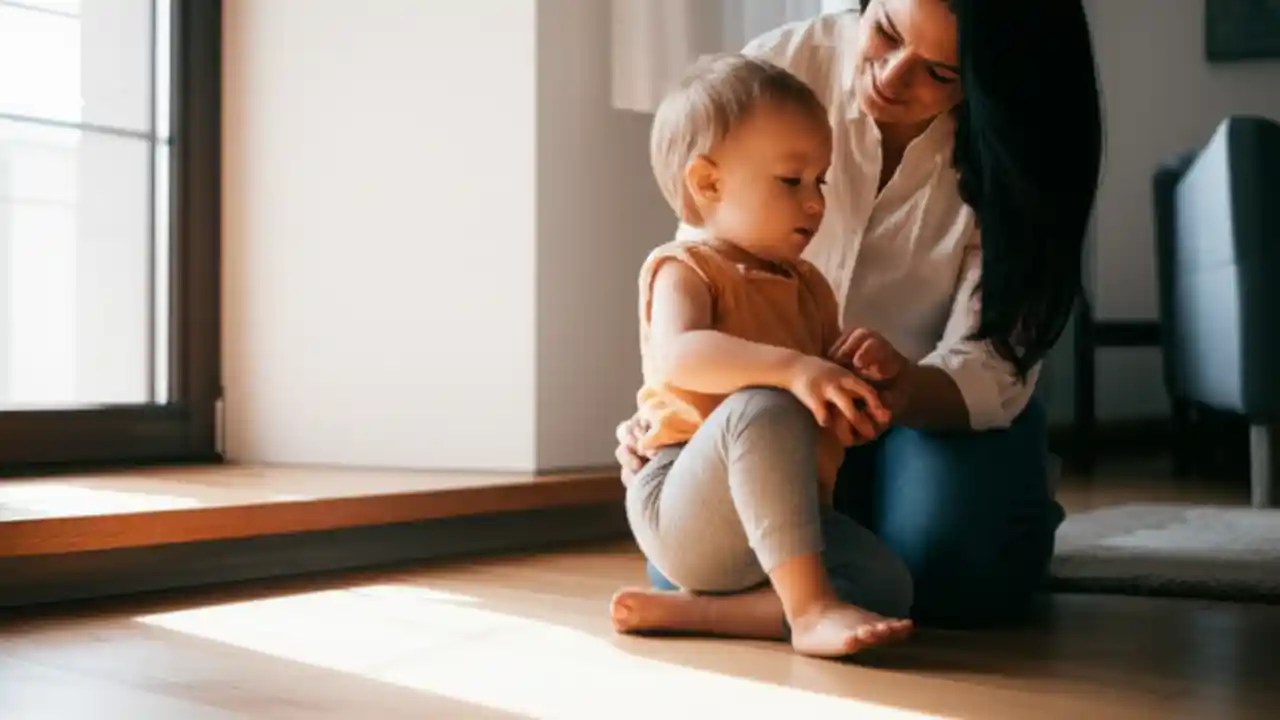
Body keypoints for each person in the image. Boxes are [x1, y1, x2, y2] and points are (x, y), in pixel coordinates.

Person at [615, 0, 1103, 629]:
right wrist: (664, 413)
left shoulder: (1019, 157)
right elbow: (697, 296)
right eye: (886, 33)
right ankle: (808, 594)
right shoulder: (771, 78)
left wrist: (895, 387)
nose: (892, 76)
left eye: (940, 74)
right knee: (707, 547)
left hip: (925, 408)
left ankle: (785, 591)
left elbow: (994, 360)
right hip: (779, 423)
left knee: (952, 572)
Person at [612, 53, 915, 658]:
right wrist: (795, 370)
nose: (815, 202)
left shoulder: (808, 288)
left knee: (891, 586)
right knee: (764, 407)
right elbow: (678, 356)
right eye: (791, 180)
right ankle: (808, 611)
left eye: (820, 181)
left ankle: (708, 613)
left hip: (786, 512)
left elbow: (823, 401)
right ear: (709, 184)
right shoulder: (687, 268)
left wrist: (857, 379)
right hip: (682, 503)